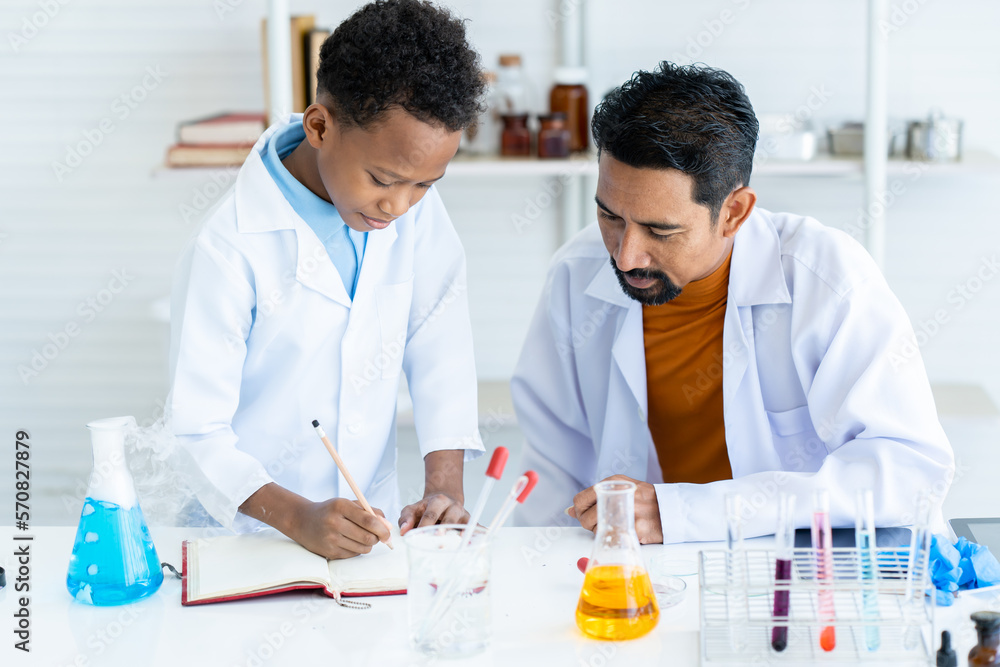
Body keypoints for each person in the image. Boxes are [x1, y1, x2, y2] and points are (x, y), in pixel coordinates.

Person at [511, 61, 955, 543]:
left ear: (734, 212)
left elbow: (909, 471)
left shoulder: (825, 278)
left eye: (661, 230)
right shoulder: (575, 276)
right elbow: (551, 474)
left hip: (795, 570)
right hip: (648, 574)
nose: (625, 255)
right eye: (609, 216)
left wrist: (687, 513)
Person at [167, 0, 486, 559]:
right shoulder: (228, 246)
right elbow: (196, 431)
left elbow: (440, 344)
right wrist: (296, 516)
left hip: (368, 530)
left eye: (425, 185)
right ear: (319, 126)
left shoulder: (409, 208)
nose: (401, 205)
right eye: (383, 179)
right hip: (250, 536)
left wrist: (443, 486)